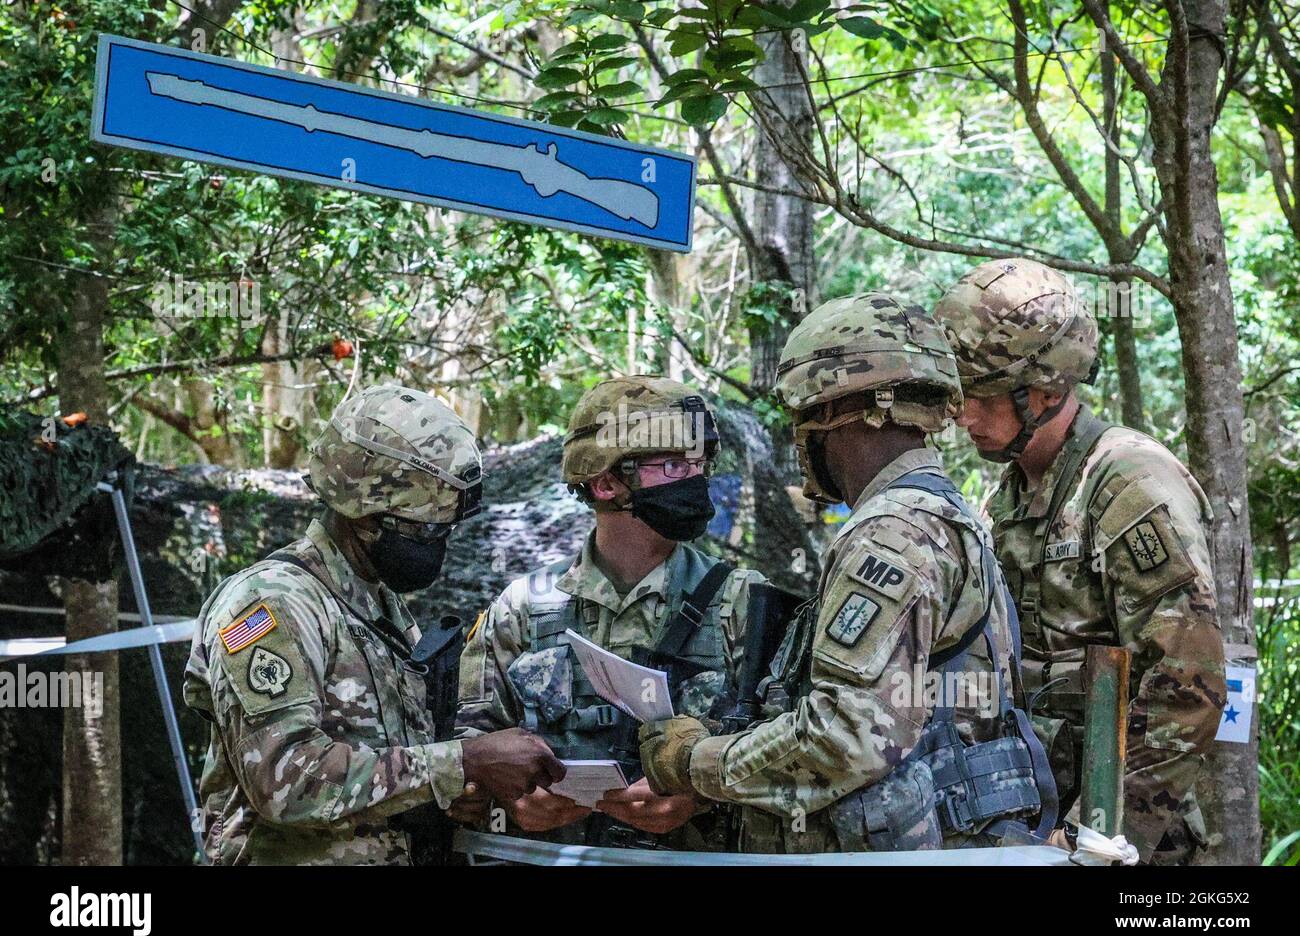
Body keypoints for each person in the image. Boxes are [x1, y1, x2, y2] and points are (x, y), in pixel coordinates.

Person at [638, 294, 1054, 853]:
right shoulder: (945, 513)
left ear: (832, 414)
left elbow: (850, 734)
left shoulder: (892, 532)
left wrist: (694, 762)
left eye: (803, 417)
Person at [183, 384, 563, 865]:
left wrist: (453, 791)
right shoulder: (272, 603)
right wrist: (460, 763)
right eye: (425, 528)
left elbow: (392, 765)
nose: (438, 543)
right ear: (363, 515)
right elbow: (284, 781)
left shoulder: (378, 603)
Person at [935, 258, 1226, 864]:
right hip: (1031, 823)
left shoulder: (1129, 484)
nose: (964, 416)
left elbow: (1188, 689)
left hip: (1121, 844)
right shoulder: (1011, 493)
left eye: (981, 396)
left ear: (1043, 392)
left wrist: (1096, 834)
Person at [454, 376, 767, 849]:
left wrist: (703, 794)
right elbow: (467, 751)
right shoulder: (523, 607)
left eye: (700, 463)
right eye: (673, 464)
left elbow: (787, 755)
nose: (697, 478)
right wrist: (508, 800)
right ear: (605, 483)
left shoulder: (744, 602)